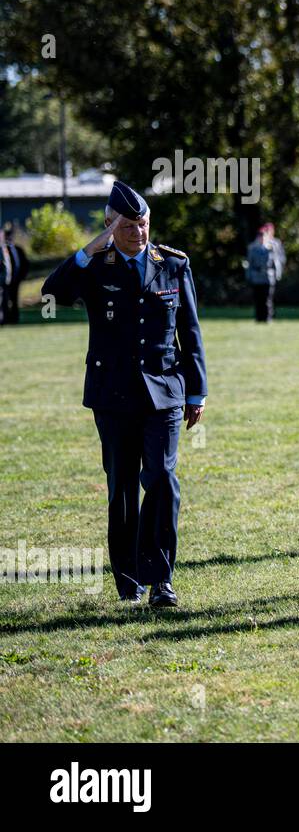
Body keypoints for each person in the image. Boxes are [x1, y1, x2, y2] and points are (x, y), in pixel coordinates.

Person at [41, 180, 207, 607]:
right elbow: (52, 292)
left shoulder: (173, 264)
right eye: (129, 225)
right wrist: (90, 248)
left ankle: (161, 579)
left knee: (162, 479)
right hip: (112, 395)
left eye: (144, 223)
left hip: (165, 392)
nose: (139, 232)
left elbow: (189, 331)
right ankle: (129, 581)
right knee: (121, 489)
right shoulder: (96, 265)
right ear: (111, 224)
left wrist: (197, 392)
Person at [245, 223, 283, 322]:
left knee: (267, 299)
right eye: (260, 236)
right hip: (257, 277)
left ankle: (267, 318)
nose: (262, 238)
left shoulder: (271, 247)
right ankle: (258, 318)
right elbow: (250, 263)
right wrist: (249, 275)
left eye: (264, 236)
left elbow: (276, 262)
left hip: (268, 276)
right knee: (258, 299)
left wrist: (277, 274)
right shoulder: (253, 249)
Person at [2, 222, 29, 325]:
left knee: (14, 300)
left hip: (16, 279)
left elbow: (25, 264)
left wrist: (21, 277)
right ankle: (4, 319)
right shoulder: (3, 250)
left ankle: (14, 319)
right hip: (4, 279)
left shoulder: (18, 250)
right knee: (4, 300)